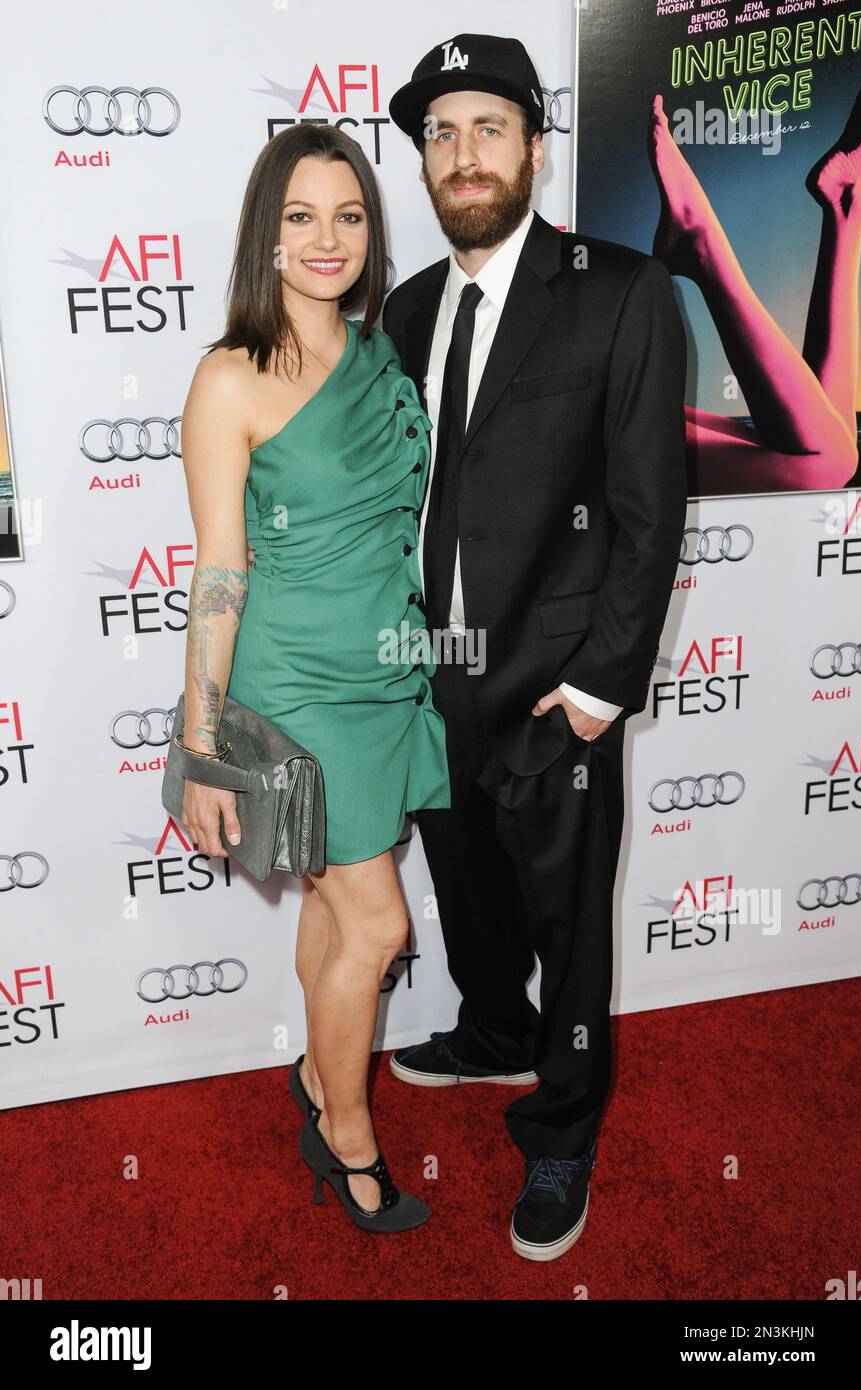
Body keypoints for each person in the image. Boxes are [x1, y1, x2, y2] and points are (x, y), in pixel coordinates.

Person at [383, 33, 688, 1261]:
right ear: (424, 161)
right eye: (440, 135)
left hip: (556, 684)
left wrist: (596, 689)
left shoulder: (616, 288)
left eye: (487, 129)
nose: (464, 156)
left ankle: (562, 1122)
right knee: (467, 891)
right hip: (436, 677)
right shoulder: (406, 308)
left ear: (534, 147)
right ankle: (492, 1033)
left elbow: (647, 507)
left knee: (569, 923)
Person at [176, 123, 450, 1234]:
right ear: (266, 234)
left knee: (341, 916)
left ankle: (313, 1079)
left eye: (348, 215)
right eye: (301, 216)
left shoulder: (382, 353)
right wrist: (200, 745)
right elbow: (219, 575)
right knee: (378, 927)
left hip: (386, 679)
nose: (327, 238)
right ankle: (345, 1133)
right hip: (294, 696)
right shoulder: (229, 376)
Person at [648, 84, 861, 495]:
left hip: (577, 425)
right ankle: (848, 208)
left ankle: (848, 207)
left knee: (828, 450)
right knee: (829, 457)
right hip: (567, 449)